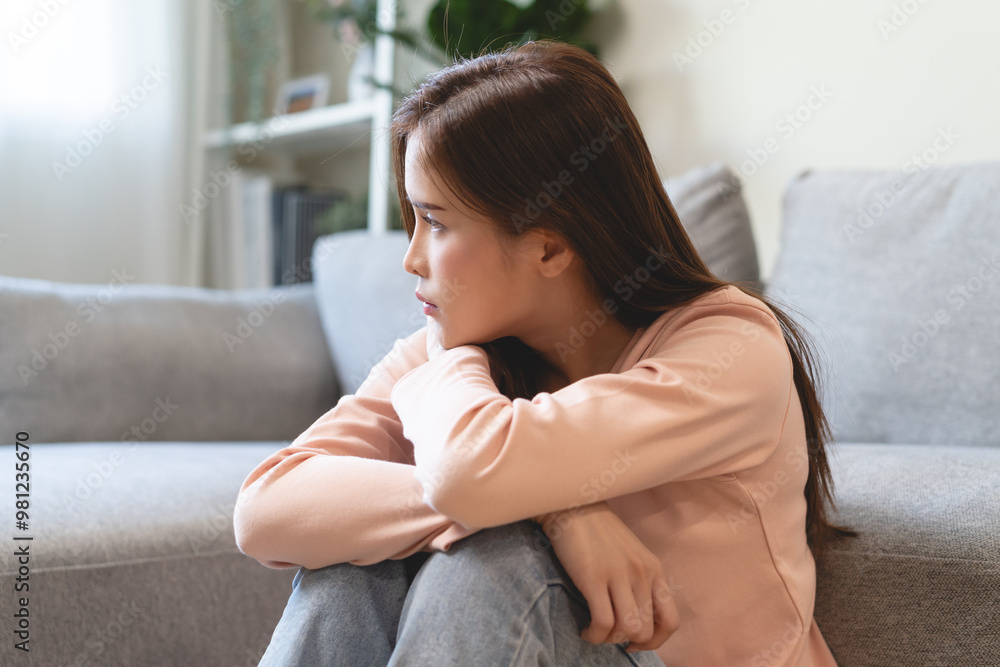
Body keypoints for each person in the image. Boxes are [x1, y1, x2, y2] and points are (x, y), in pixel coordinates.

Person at [233, 39, 857, 666]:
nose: (411, 257)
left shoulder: (731, 347)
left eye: (438, 222)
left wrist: (503, 498)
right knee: (350, 566)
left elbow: (471, 474)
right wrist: (563, 513)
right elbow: (267, 508)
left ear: (551, 250)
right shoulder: (460, 355)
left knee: (490, 562)